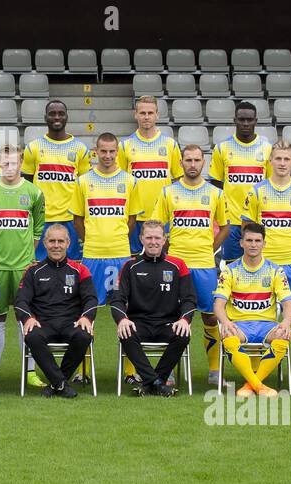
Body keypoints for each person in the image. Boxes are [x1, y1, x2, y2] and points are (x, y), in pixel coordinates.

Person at [240, 140, 291, 388]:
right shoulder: (257, 192)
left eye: (287, 159)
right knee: (256, 314)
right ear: (270, 162)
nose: (282, 163)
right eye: (278, 159)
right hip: (261, 265)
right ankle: (254, 370)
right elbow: (247, 228)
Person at [151, 144, 231, 386]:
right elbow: (156, 225)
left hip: (205, 265)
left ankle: (215, 372)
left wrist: (209, 248)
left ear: (203, 163)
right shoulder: (168, 193)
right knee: (172, 317)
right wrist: (168, 252)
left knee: (210, 318)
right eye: (188, 160)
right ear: (182, 163)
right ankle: (169, 372)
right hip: (176, 266)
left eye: (197, 160)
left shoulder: (215, 194)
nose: (193, 164)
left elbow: (225, 226)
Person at [71, 132, 141, 381]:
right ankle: (82, 371)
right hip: (92, 256)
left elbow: (131, 219)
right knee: (86, 313)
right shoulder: (83, 181)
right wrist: (92, 239)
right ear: (95, 152)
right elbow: (77, 219)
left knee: (127, 313)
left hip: (121, 256)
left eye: (112, 151)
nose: (108, 156)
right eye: (103, 151)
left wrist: (116, 238)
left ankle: (132, 372)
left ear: (117, 152)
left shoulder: (130, 181)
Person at [0, 145, 46, 389]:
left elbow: (38, 227)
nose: (9, 167)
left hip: (23, 268)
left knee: (25, 319)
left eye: (13, 162)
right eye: (4, 163)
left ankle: (29, 371)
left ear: (21, 163)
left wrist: (28, 253)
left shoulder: (34, 193)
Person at [108, 220, 198, 397]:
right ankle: (158, 383)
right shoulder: (129, 266)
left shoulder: (178, 265)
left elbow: (189, 299)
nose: (153, 242)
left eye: (157, 237)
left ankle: (150, 382)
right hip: (139, 323)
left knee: (183, 333)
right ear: (141, 239)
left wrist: (184, 320)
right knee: (126, 332)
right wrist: (123, 320)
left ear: (165, 239)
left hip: (168, 323)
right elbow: (116, 299)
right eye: (148, 237)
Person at [12, 224, 98, 398]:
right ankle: (61, 384)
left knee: (84, 335)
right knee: (32, 336)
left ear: (68, 243)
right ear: (45, 243)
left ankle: (56, 384)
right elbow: (20, 301)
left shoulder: (80, 270)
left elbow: (91, 299)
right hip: (43, 323)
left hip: (71, 323)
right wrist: (28, 318)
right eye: (52, 241)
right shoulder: (33, 271)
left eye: (60, 241)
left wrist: (86, 317)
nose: (56, 245)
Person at [213, 222, 291, 397]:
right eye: (249, 240)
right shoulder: (229, 271)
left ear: (264, 244)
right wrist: (226, 322)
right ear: (241, 243)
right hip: (239, 325)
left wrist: (286, 322)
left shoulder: (275, 270)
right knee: (227, 334)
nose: (253, 244)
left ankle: (250, 386)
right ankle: (259, 386)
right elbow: (218, 305)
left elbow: (288, 304)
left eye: (258, 241)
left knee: (284, 334)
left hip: (267, 325)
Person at [22, 100, 91, 260]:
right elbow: (27, 185)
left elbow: (85, 187)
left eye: (61, 113)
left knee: (72, 265)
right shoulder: (33, 148)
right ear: (45, 117)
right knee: (39, 265)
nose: (57, 117)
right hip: (42, 218)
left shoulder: (80, 148)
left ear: (67, 117)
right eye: (52, 114)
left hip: (71, 219)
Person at [208, 100, 272, 262]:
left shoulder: (267, 149)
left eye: (249, 119)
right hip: (232, 220)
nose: (245, 123)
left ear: (255, 121)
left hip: (258, 220)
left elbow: (271, 184)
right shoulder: (222, 148)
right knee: (232, 265)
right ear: (235, 120)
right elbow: (216, 183)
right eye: (241, 119)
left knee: (259, 265)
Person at [117, 96, 182, 255]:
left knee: (163, 260)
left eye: (150, 113)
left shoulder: (170, 144)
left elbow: (179, 179)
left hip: (162, 217)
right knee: (133, 261)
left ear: (157, 115)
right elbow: (120, 180)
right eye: (143, 113)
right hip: (135, 216)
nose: (146, 117)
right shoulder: (125, 145)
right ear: (136, 114)